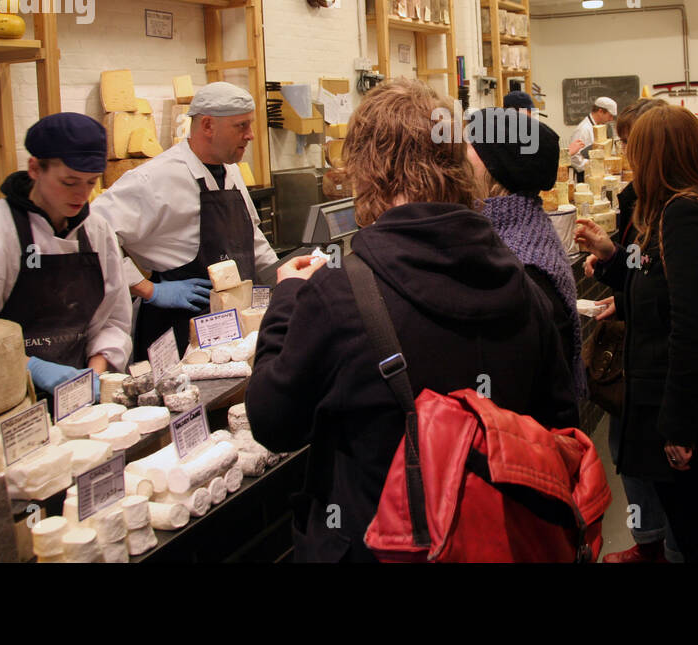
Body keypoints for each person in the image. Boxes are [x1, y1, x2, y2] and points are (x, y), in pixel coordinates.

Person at [244, 78, 578, 562]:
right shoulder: (524, 283)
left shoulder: (339, 293)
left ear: (367, 170)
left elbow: (273, 422)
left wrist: (286, 300)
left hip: (376, 545)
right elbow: (558, 423)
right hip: (496, 539)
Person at [578, 104, 698, 562]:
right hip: (693, 408)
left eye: (638, 155)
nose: (633, 167)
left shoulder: (684, 216)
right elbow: (663, 287)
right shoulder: (693, 204)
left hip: (688, 412)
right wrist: (615, 258)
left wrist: (678, 426)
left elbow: (694, 326)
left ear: (660, 158)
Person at [0, 113, 132, 398]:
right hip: (6, 397)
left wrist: (94, 371)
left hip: (79, 391)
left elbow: (114, 317)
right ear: (34, 169)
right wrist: (33, 367)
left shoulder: (96, 231)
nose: (81, 194)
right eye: (69, 182)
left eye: (90, 183)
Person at [93, 81, 277, 361]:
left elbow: (252, 239)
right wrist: (148, 289)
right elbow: (92, 234)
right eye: (241, 126)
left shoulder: (231, 172)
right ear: (207, 126)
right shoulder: (155, 179)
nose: (250, 135)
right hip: (178, 327)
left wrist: (284, 280)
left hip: (235, 327)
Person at [577, 96, 681, 563]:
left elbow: (682, 309)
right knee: (630, 451)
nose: (624, 154)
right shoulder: (644, 200)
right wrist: (615, 267)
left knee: (662, 465)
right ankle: (651, 543)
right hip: (642, 358)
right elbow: (646, 279)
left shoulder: (680, 214)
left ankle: (667, 547)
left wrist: (619, 273)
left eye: (629, 144)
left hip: (661, 366)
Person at [464, 106, 581, 392]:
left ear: (493, 168)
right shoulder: (515, 232)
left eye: (469, 146)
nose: (460, 160)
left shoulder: (523, 264)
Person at [569, 96, 617, 181]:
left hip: (595, 175)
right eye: (610, 116)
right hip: (585, 176)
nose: (611, 119)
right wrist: (593, 165)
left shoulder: (599, 127)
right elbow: (574, 158)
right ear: (600, 111)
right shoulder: (583, 129)